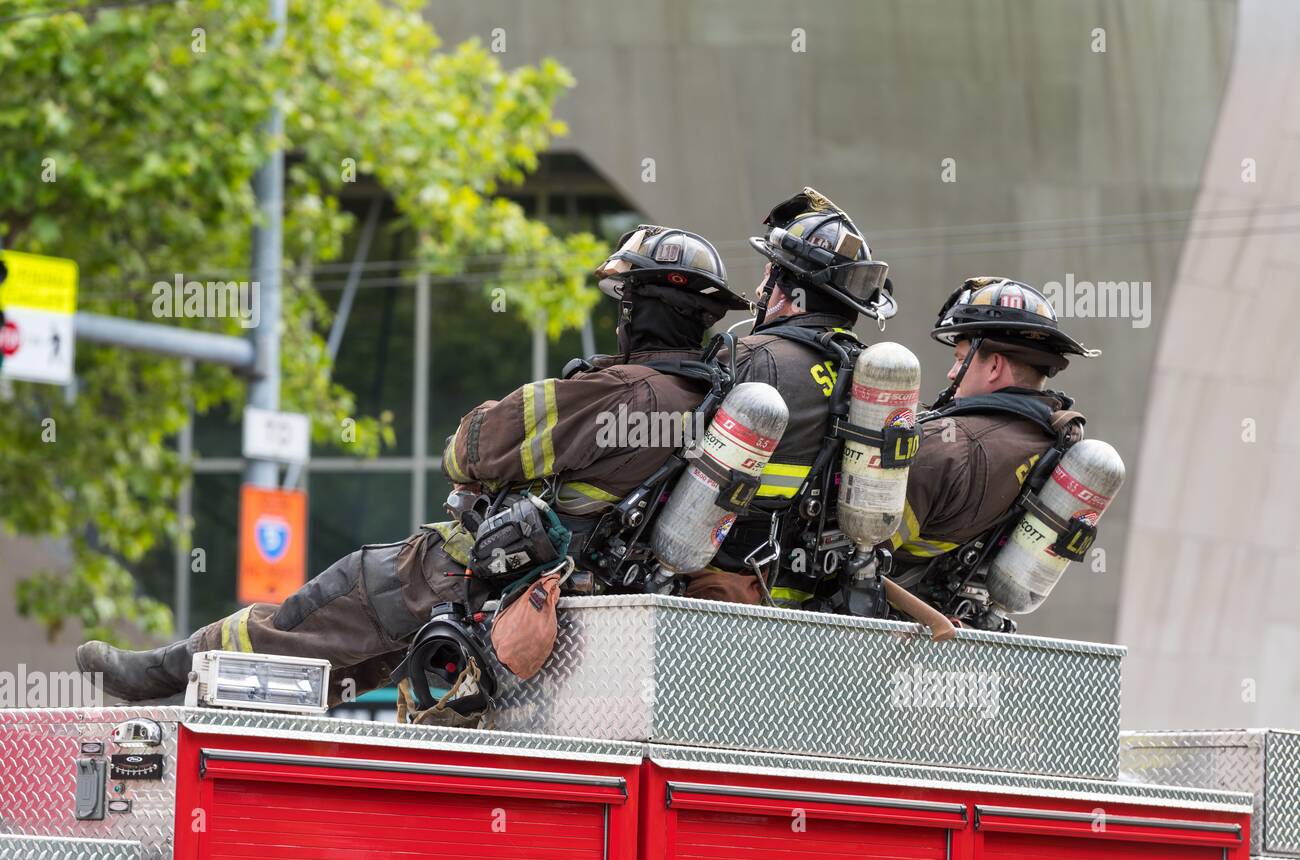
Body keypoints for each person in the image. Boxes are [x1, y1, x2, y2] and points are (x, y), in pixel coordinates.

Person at [75, 226, 751, 706]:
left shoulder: (618, 393)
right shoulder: (713, 407)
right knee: (343, 679)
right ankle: (188, 703)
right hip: (534, 611)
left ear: (636, 310)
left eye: (624, 304)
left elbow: (469, 448)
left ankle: (157, 675)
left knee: (306, 618)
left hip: (449, 578)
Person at [687, 187, 896, 607]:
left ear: (783, 291)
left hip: (720, 596)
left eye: (769, 274)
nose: (762, 284)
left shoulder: (748, 359)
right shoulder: (879, 387)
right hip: (811, 602)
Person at [886, 276, 1099, 628]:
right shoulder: (1059, 451)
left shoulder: (945, 445)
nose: (952, 372)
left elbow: (854, 547)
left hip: (881, 637)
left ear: (995, 365)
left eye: (959, 358)